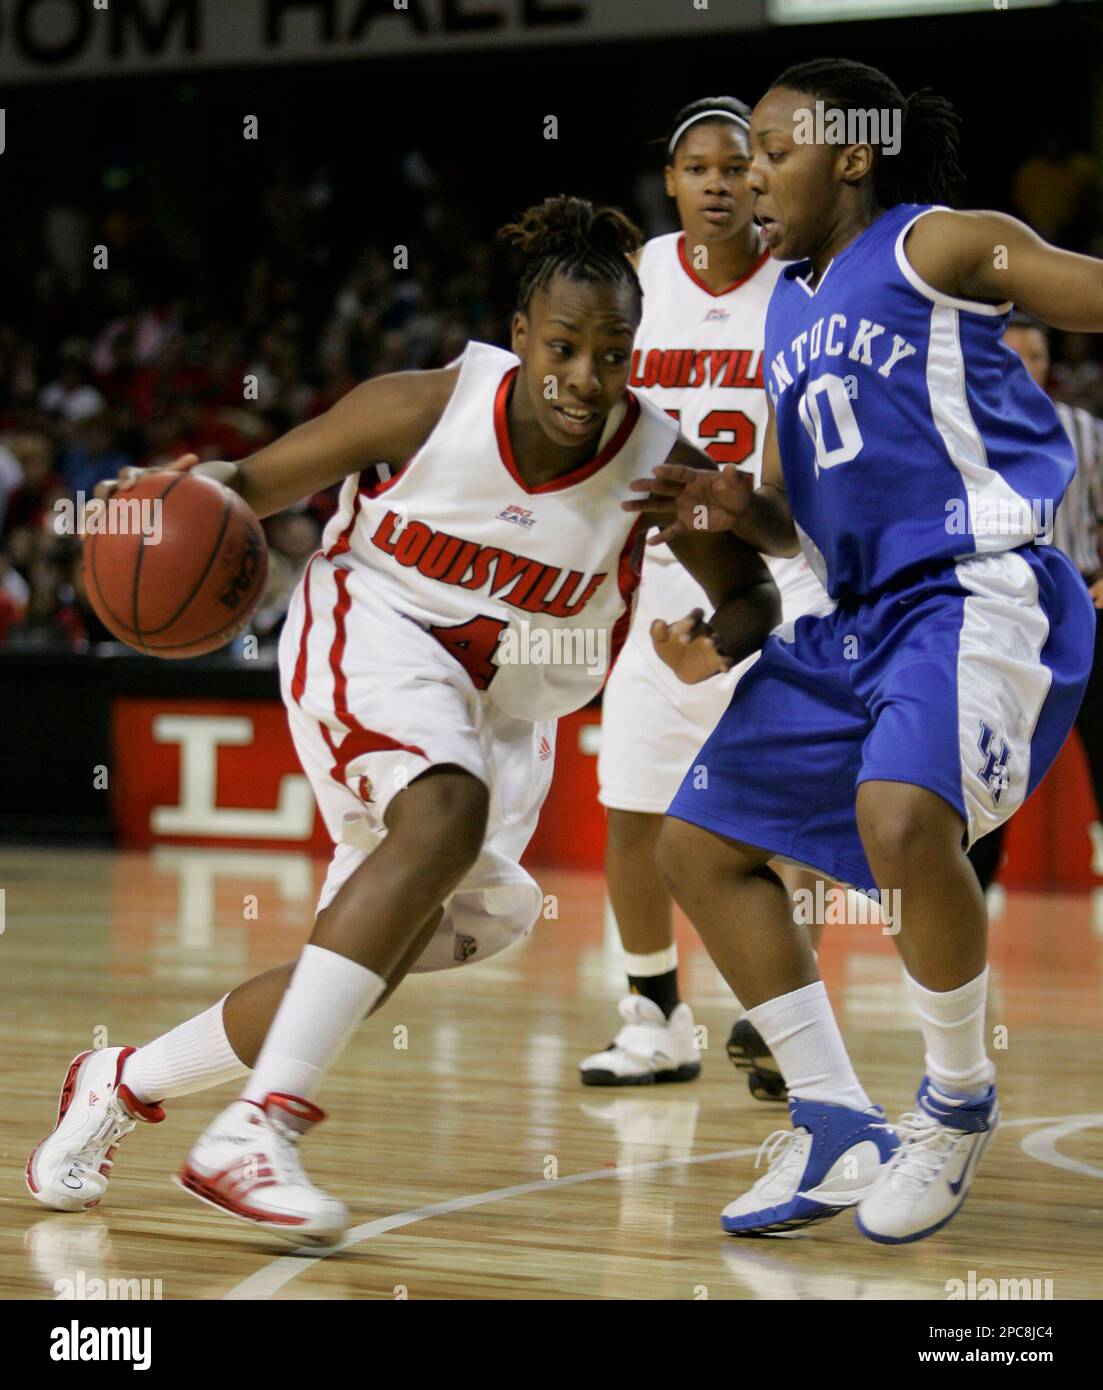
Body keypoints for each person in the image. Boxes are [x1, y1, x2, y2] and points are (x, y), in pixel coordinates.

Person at [27, 197, 782, 1249]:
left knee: (357, 965)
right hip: (371, 636)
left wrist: (716, 630)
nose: (583, 376)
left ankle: (121, 1079)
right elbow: (241, 488)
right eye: (561, 346)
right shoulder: (422, 406)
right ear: (520, 334)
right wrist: (136, 508)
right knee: (443, 815)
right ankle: (257, 1129)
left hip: (501, 718)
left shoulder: (656, 462)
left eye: (612, 354)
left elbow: (753, 589)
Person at [630, 59, 1097, 1244]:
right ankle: (836, 1117)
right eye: (733, 158)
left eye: (771, 150)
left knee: (899, 821)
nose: (747, 175)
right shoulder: (786, 306)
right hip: (850, 615)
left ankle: (953, 1097)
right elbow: (793, 513)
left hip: (973, 586)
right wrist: (737, 513)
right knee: (695, 845)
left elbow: (1078, 290)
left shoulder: (935, 245)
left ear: (851, 153)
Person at [583, 97, 827, 1098]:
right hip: (661, 574)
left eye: (737, 166)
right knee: (630, 806)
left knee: (785, 815)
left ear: (761, 180)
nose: (719, 182)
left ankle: (784, 1020)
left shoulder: (804, 285)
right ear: (671, 181)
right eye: (697, 167)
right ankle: (652, 1016)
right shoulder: (636, 280)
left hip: (783, 567)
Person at [968, 314, 1103, 891]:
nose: (1030, 369)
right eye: (1017, 357)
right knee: (987, 752)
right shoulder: (963, 429)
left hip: (1078, 611)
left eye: (1040, 359)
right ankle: (973, 876)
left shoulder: (1085, 430)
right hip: (995, 612)